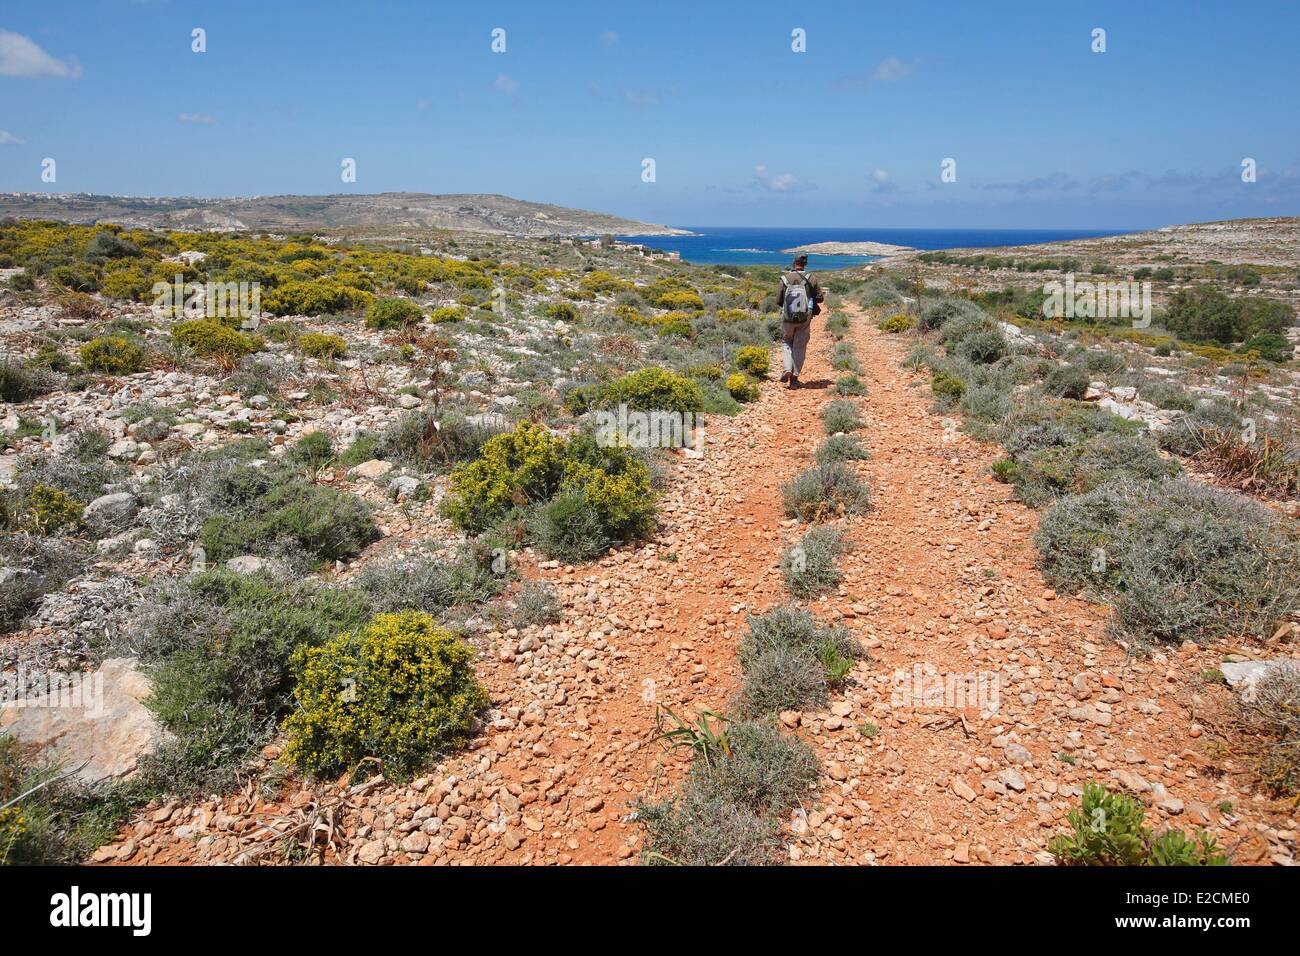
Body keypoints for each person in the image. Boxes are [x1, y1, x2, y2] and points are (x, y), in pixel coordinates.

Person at [775, 254, 824, 389]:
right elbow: (820, 298)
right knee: (799, 346)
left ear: (793, 262)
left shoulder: (784, 279)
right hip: (805, 315)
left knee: (787, 342)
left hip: (787, 316)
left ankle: (786, 369)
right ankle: (794, 379)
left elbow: (778, 300)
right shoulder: (811, 278)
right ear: (805, 263)